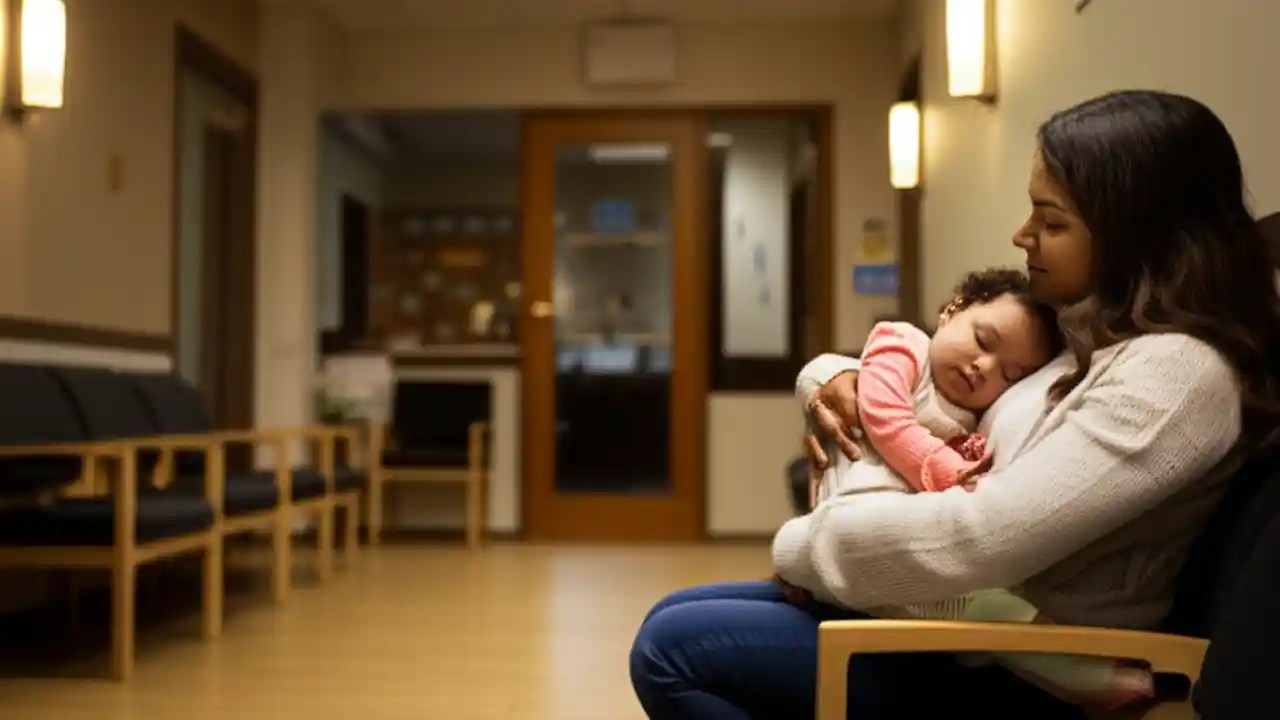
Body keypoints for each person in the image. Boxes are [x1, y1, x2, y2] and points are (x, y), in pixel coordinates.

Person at [630, 89, 1280, 719]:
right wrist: (830, 375)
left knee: (674, 649)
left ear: (1136, 239)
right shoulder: (1088, 339)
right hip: (972, 626)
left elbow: (983, 539)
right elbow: (924, 369)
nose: (1023, 235)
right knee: (671, 616)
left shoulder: (1174, 375)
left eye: (1052, 222)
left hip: (1035, 665)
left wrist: (804, 546)